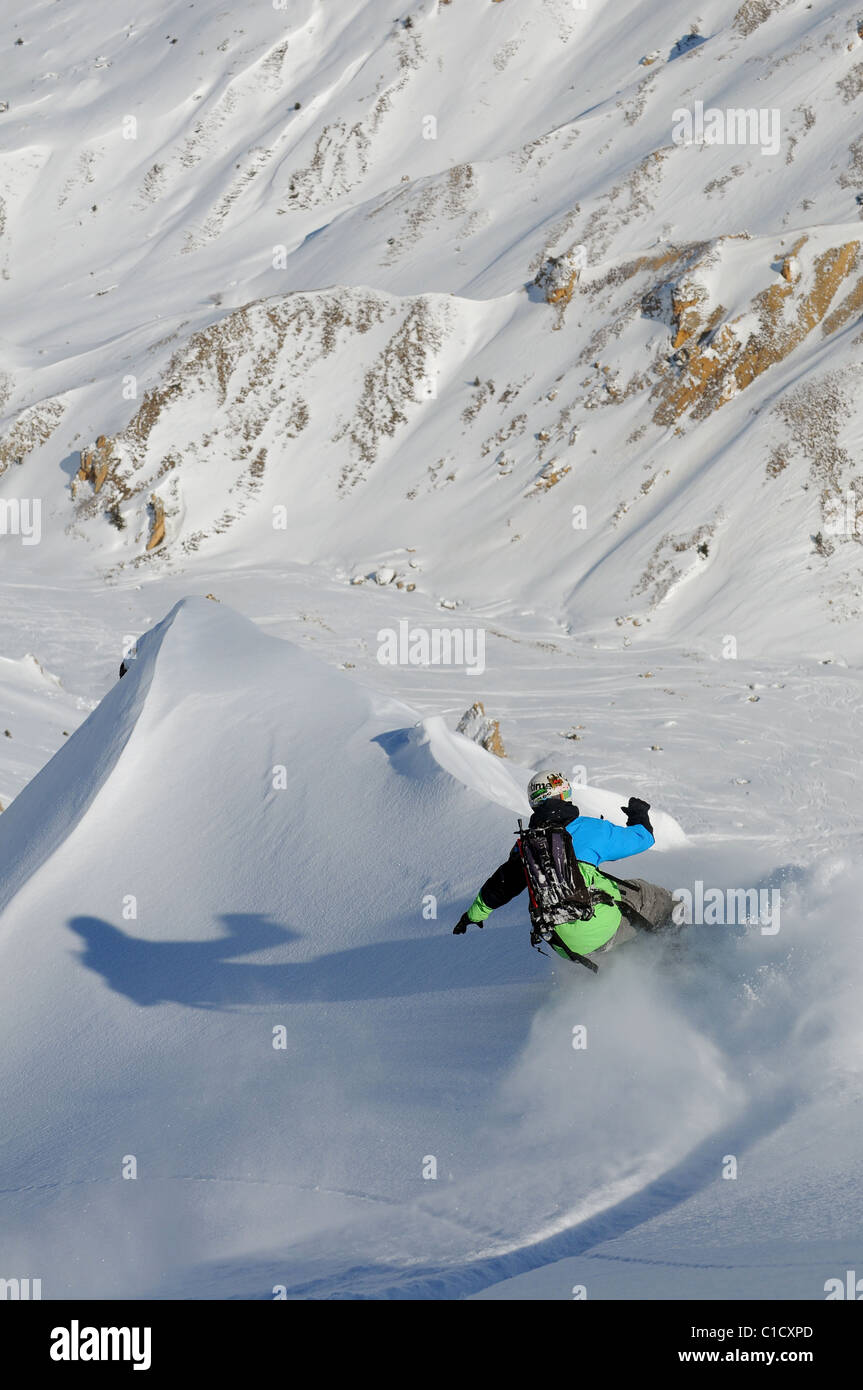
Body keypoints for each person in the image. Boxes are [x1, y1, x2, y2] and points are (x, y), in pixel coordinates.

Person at [452, 770, 676, 970]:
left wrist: (472, 916)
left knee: (613, 896)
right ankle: (682, 945)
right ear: (563, 795)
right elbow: (643, 839)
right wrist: (639, 815)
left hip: (565, 946)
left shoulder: (527, 845)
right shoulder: (588, 829)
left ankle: (623, 965)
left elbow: (499, 888)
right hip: (602, 927)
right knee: (647, 894)